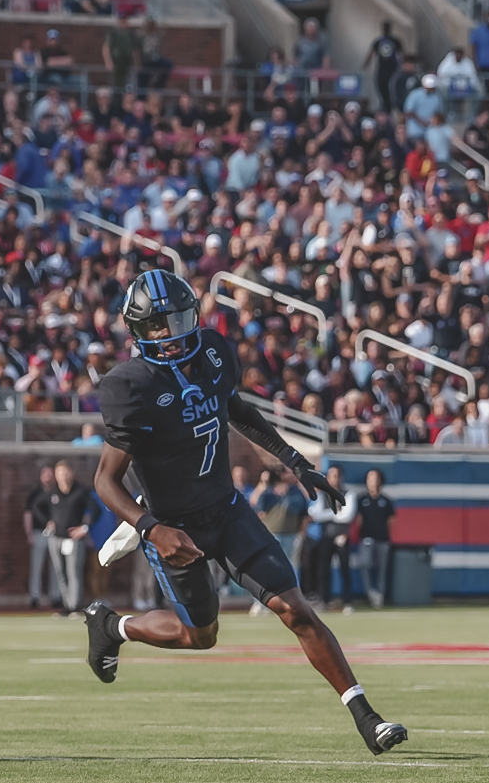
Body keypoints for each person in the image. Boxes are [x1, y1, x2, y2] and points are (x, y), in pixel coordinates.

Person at [82, 271, 405, 756]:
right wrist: (152, 528)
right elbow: (105, 480)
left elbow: (234, 408)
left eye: (179, 320)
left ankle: (366, 718)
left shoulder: (211, 351)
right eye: (159, 326)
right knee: (201, 636)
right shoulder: (129, 386)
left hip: (227, 509)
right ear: (138, 331)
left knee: (296, 610)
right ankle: (112, 626)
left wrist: (296, 462)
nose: (172, 334)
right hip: (174, 525)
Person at [302, 463, 359, 613]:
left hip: (342, 537)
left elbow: (348, 516)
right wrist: (336, 513)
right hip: (326, 537)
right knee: (323, 571)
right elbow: (316, 515)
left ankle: (348, 602)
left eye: (338, 475)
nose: (335, 478)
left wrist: (331, 515)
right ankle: (323, 601)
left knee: (344, 569)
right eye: (332, 475)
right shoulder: (322, 494)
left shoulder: (348, 494)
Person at [45, 460, 92, 616]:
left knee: (74, 572)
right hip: (56, 539)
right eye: (59, 473)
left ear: (71, 473)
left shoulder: (80, 491)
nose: (63, 476)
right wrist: (48, 522)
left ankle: (74, 606)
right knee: (60, 572)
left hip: (73, 539)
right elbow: (36, 507)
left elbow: (96, 509)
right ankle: (66, 604)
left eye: (65, 472)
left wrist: (84, 528)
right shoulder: (53, 493)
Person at [355, 468, 395, 609]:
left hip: (383, 540)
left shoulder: (386, 501)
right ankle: (371, 594)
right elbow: (358, 520)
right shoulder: (361, 499)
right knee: (365, 566)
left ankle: (380, 597)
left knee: (382, 570)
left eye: (375, 478)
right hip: (366, 539)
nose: (373, 481)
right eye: (370, 478)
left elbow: (391, 521)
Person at [25, 464, 58, 610]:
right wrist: (29, 533)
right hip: (39, 532)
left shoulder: (58, 492)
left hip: (56, 534)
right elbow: (28, 514)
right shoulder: (35, 494)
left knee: (56, 567)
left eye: (50, 474)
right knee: (36, 566)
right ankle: (35, 596)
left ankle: (56, 596)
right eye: (45, 474)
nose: (48, 477)